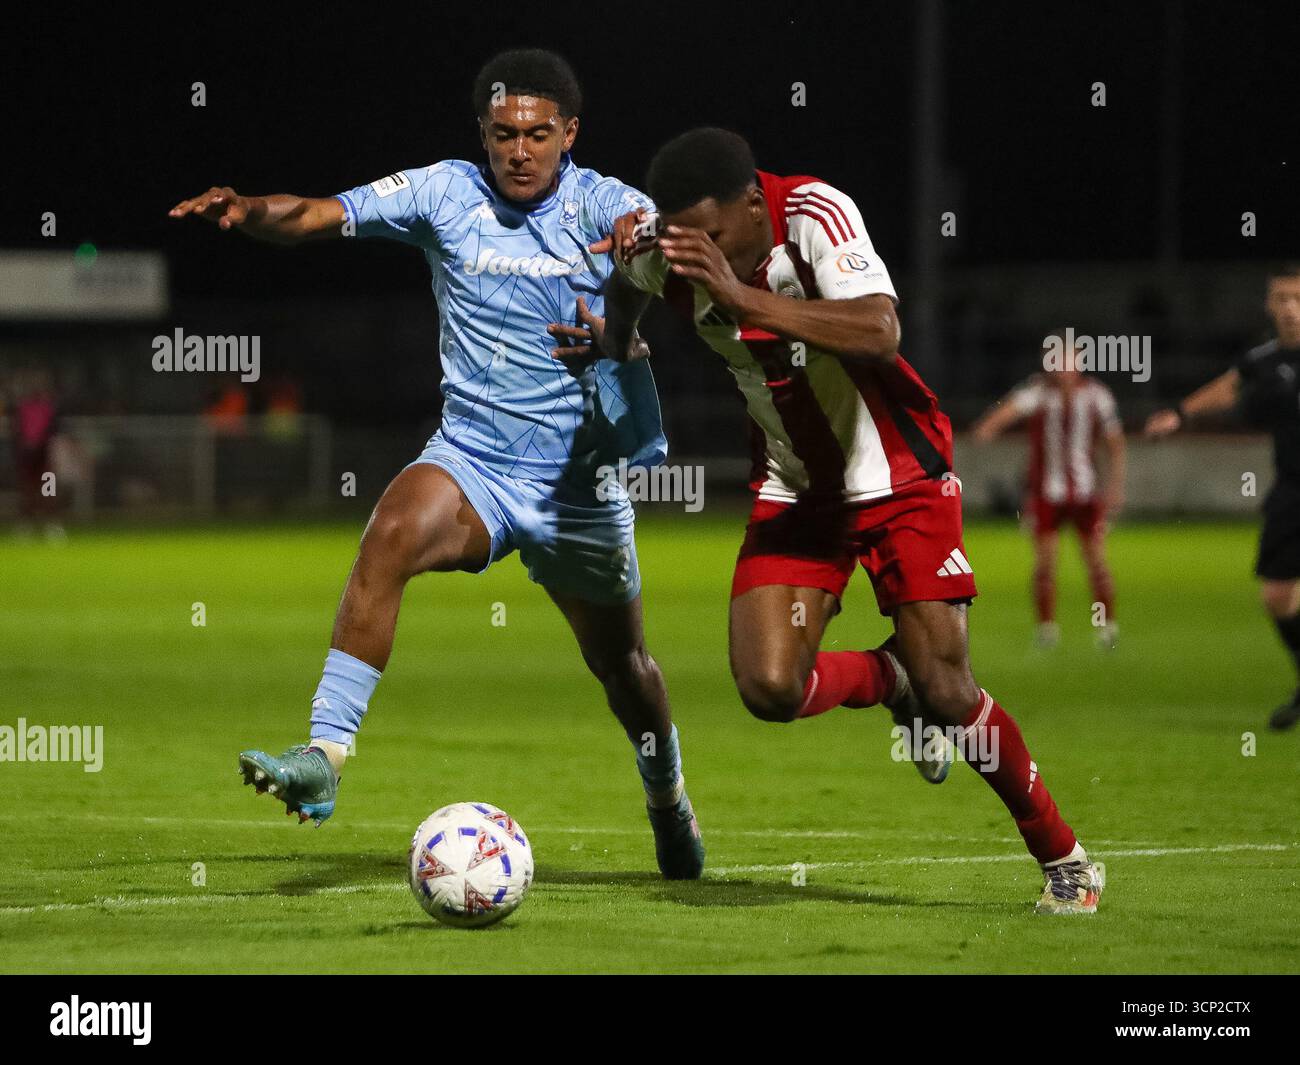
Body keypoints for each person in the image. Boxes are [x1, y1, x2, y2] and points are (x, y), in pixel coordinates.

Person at [168, 50, 704, 879]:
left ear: (569, 133)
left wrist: (653, 247)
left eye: (536, 135)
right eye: (502, 135)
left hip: (579, 484)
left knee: (623, 668)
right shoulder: (444, 191)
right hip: (473, 459)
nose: (518, 152)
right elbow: (316, 213)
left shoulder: (613, 207)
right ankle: (324, 755)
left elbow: (666, 261)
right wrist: (249, 208)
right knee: (387, 530)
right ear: (481, 135)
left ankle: (666, 794)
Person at [559, 128, 1103, 913]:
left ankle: (1066, 860)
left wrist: (741, 295)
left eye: (713, 238)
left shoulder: (814, 212)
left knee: (952, 694)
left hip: (902, 478)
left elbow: (881, 330)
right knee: (769, 686)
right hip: (796, 487)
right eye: (687, 243)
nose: (699, 254)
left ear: (752, 205)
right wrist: (619, 337)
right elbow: (626, 278)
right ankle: (889, 676)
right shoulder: (666, 247)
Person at [1146, 264, 1300, 731]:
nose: (1291, 308)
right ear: (1269, 305)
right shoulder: (1265, 360)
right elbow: (1229, 386)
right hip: (1291, 488)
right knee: (1276, 595)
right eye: (1281, 299)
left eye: (1297, 297)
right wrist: (1179, 412)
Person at [972, 338, 1125, 648]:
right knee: (1045, 564)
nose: (1063, 369)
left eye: (1069, 362)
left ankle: (1106, 626)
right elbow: (1003, 414)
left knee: (1096, 563)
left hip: (1085, 494)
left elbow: (1115, 444)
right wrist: (988, 428)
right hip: (1045, 494)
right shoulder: (1037, 393)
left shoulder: (1097, 395)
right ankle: (1046, 629)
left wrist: (1115, 488)